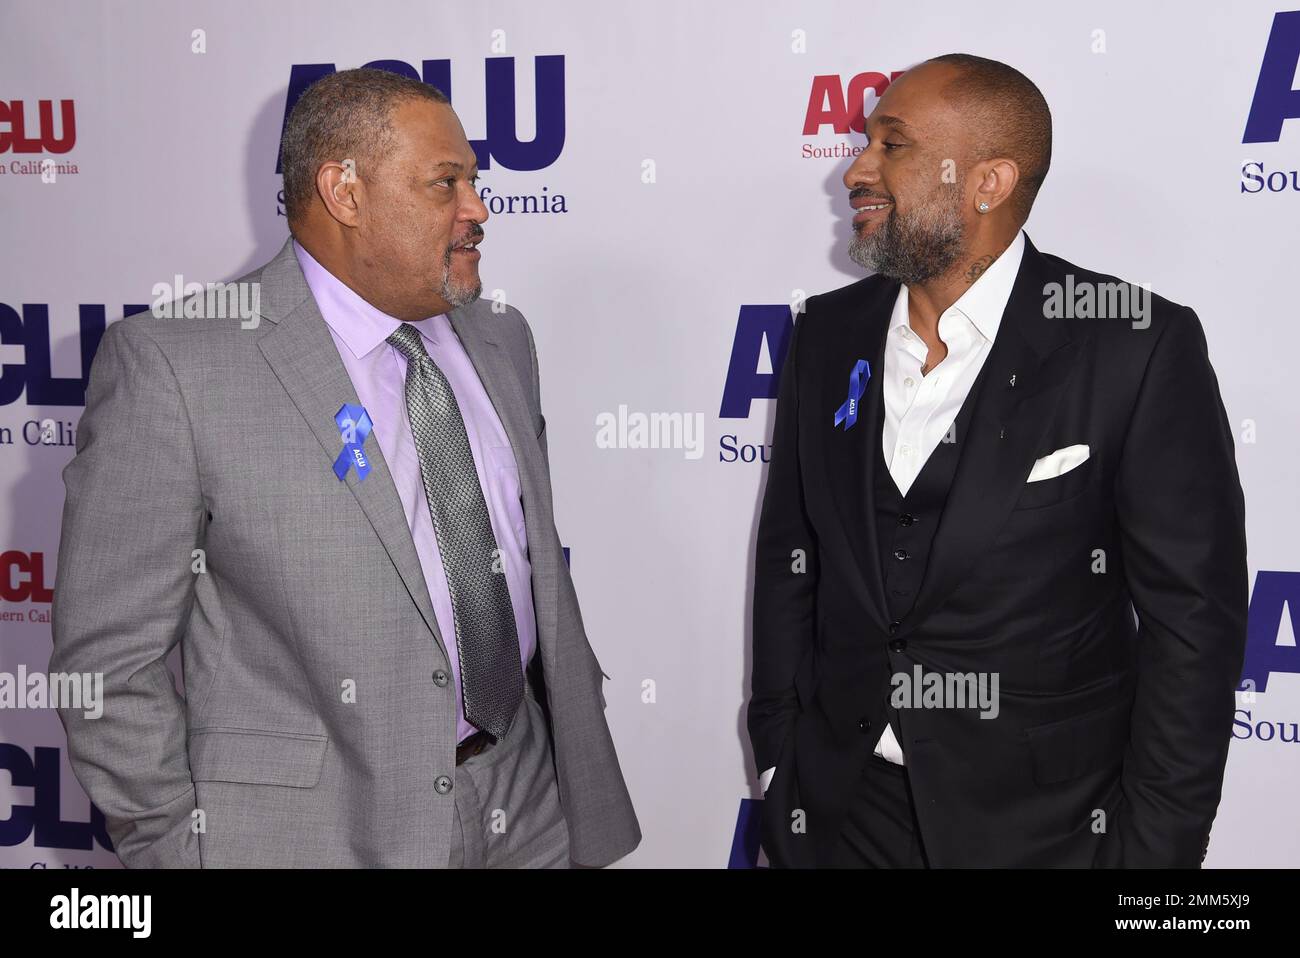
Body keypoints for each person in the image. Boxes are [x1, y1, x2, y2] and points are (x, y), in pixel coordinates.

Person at [50, 68, 639, 868]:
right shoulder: (175, 368)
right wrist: (176, 851)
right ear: (344, 191)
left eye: (475, 180)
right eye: (447, 183)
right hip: (319, 835)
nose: (478, 209)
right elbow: (108, 667)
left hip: (530, 801)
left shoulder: (503, 339)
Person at [748, 53, 1247, 867]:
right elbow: (788, 561)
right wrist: (779, 757)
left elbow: (1192, 628)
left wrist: (1152, 855)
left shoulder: (1132, 345)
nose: (856, 170)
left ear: (987, 182)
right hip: (840, 815)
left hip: (1048, 830)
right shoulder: (827, 333)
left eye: (892, 145)